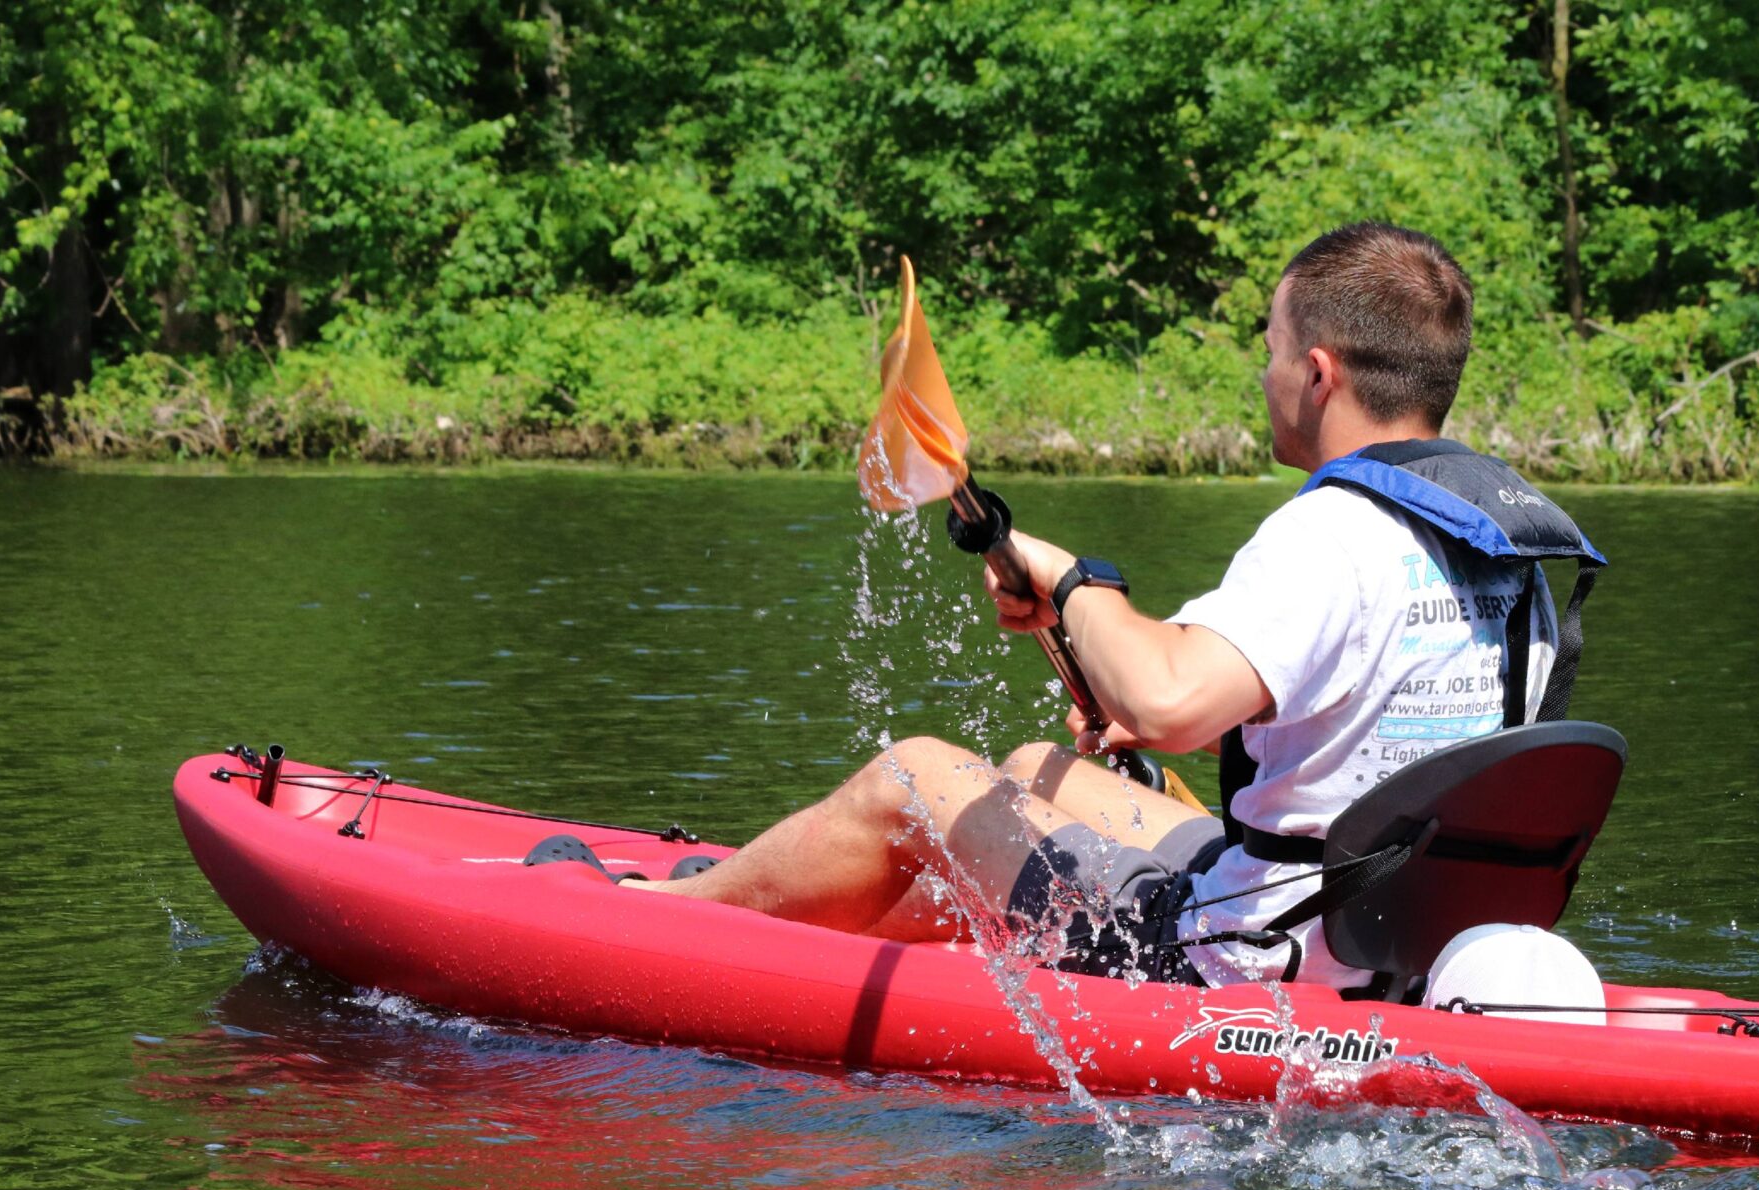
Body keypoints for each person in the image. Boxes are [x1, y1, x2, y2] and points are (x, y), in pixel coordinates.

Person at [615, 222, 1582, 989]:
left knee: (912, 777)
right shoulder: (1507, 552)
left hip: (1242, 966)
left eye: (1274, 350)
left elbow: (1164, 698)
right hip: (1379, 930)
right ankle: (859, 947)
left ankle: (653, 922)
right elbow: (1353, 739)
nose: (1266, 376)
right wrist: (1093, 631)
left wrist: (1078, 586)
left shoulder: (1333, 530)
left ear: (1320, 373)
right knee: (1039, 770)